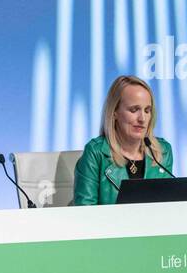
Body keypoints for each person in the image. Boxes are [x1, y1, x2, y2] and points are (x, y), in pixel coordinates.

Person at [73, 75, 174, 205]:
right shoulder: (95, 153)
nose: (142, 118)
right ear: (115, 112)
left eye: (147, 111)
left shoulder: (162, 151)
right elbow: (84, 212)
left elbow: (169, 207)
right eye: (134, 110)